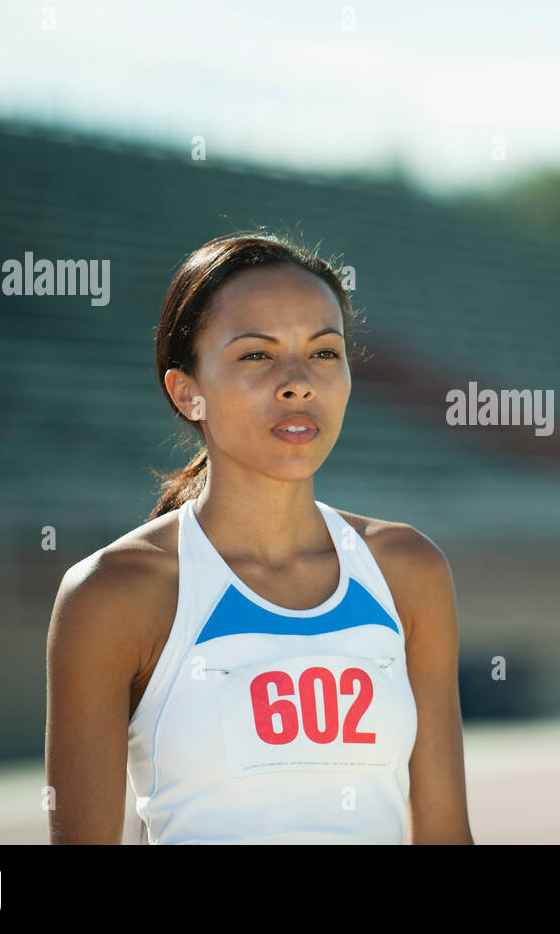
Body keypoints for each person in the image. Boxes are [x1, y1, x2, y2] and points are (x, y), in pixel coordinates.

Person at [45, 231, 473, 843]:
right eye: (256, 355)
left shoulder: (408, 570)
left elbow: (446, 835)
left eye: (324, 353)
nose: (297, 382)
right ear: (187, 391)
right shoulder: (112, 594)